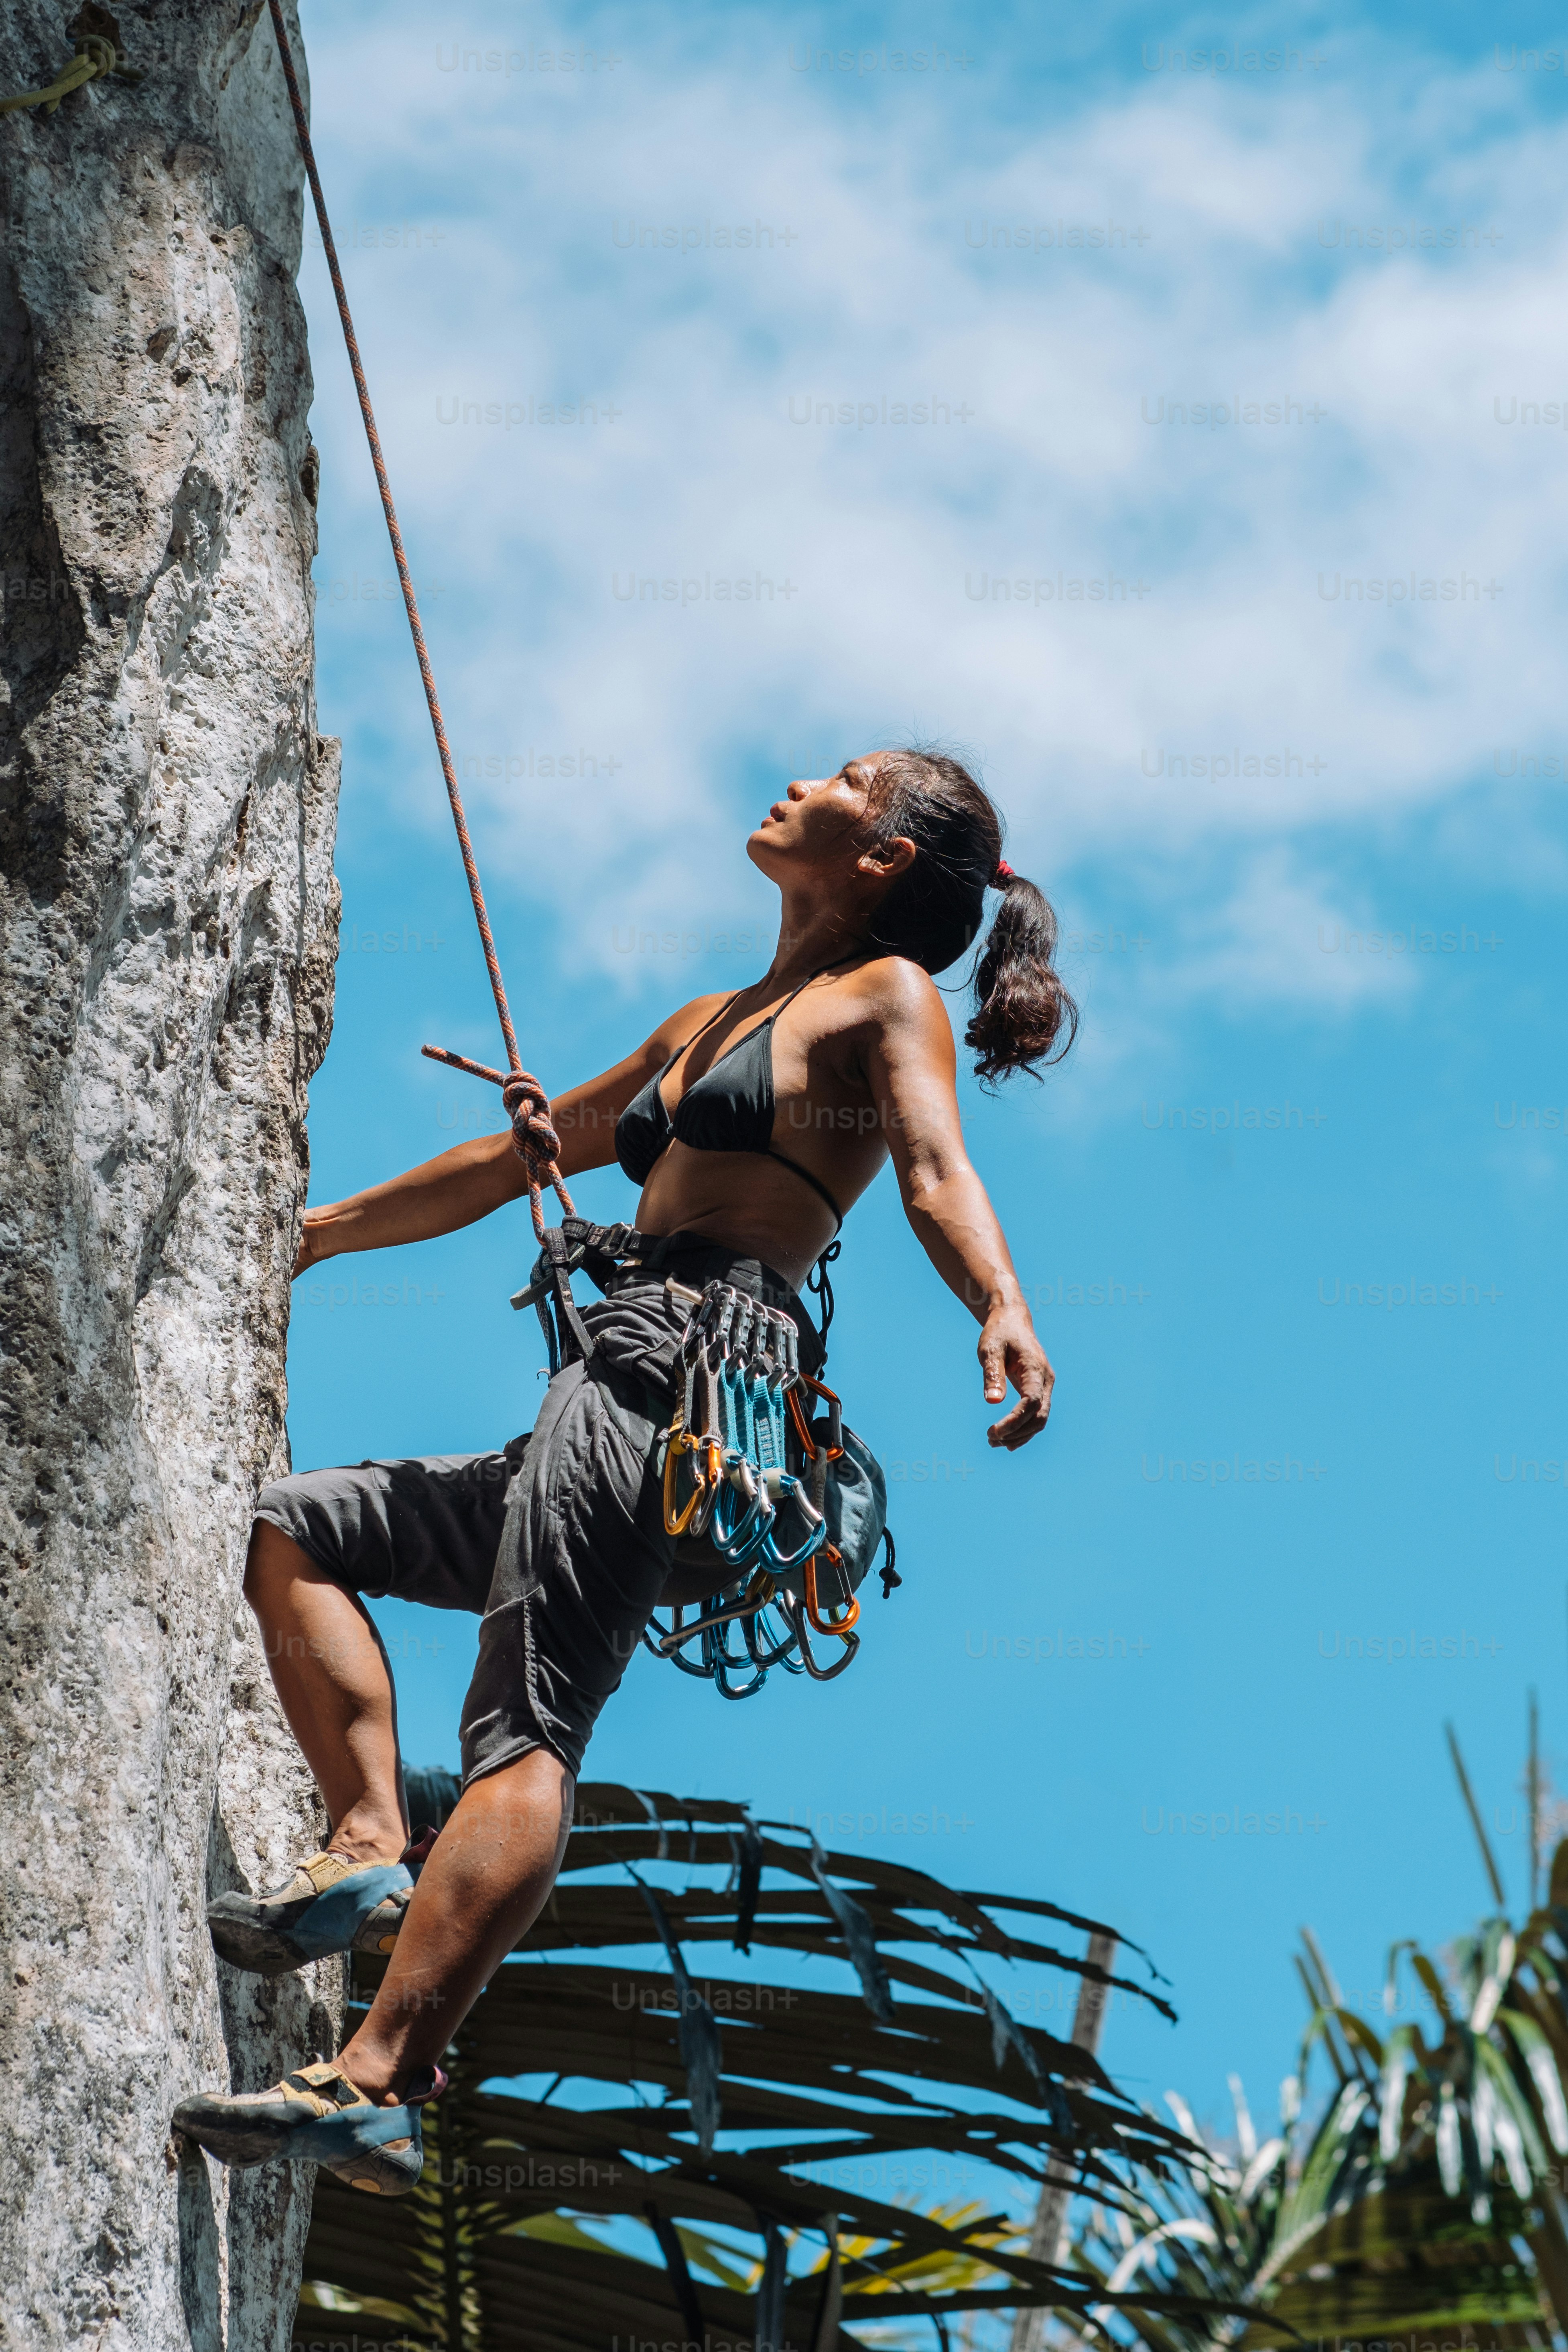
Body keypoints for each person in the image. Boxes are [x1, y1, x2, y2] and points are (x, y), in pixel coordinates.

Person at [173, 747, 1077, 2192]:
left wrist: (1001, 1305)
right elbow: (519, 1159)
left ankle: (378, 2079)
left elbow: (929, 1167)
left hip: (686, 1368)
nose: (796, 781)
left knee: (528, 1726)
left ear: (888, 858)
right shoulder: (711, 1017)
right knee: (302, 1531)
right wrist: (321, 1228)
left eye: (844, 778)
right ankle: (361, 1846)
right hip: (604, 1386)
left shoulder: (881, 998)